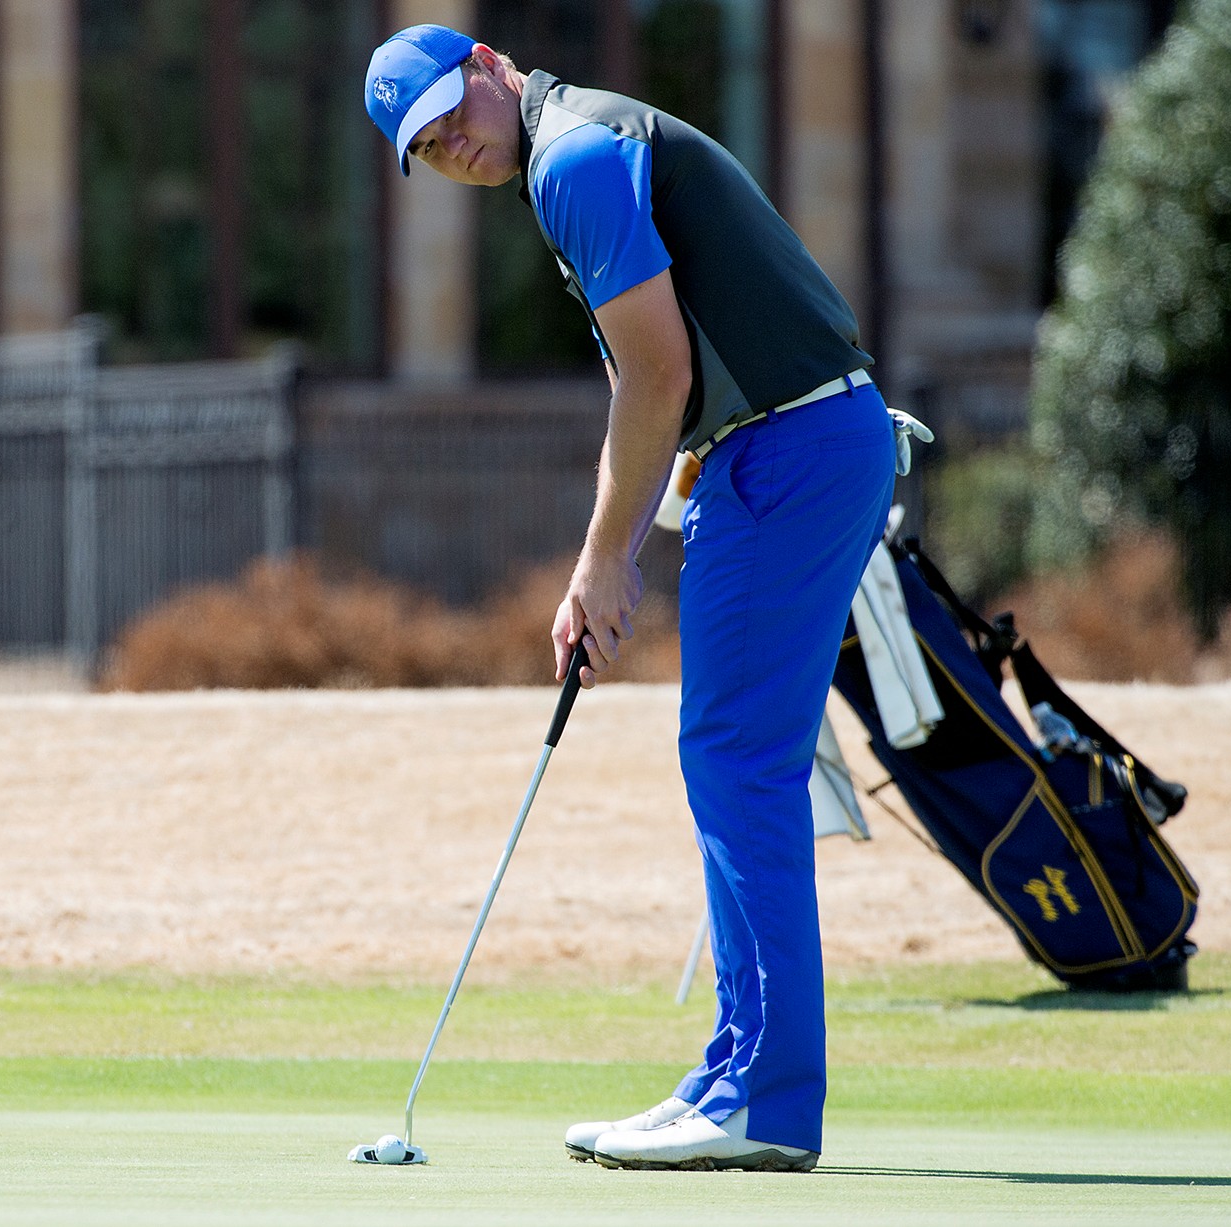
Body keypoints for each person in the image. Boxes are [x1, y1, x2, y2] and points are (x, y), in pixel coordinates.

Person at [364, 25, 906, 1172]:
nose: (455, 144)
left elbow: (656, 372)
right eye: (428, 145)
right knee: (729, 755)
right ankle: (730, 1072)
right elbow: (674, 358)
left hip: (791, 454)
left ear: (487, 63)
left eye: (451, 110)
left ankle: (760, 1094)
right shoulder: (578, 145)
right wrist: (644, 519)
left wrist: (601, 558)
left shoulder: (572, 162)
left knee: (734, 757)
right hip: (770, 451)